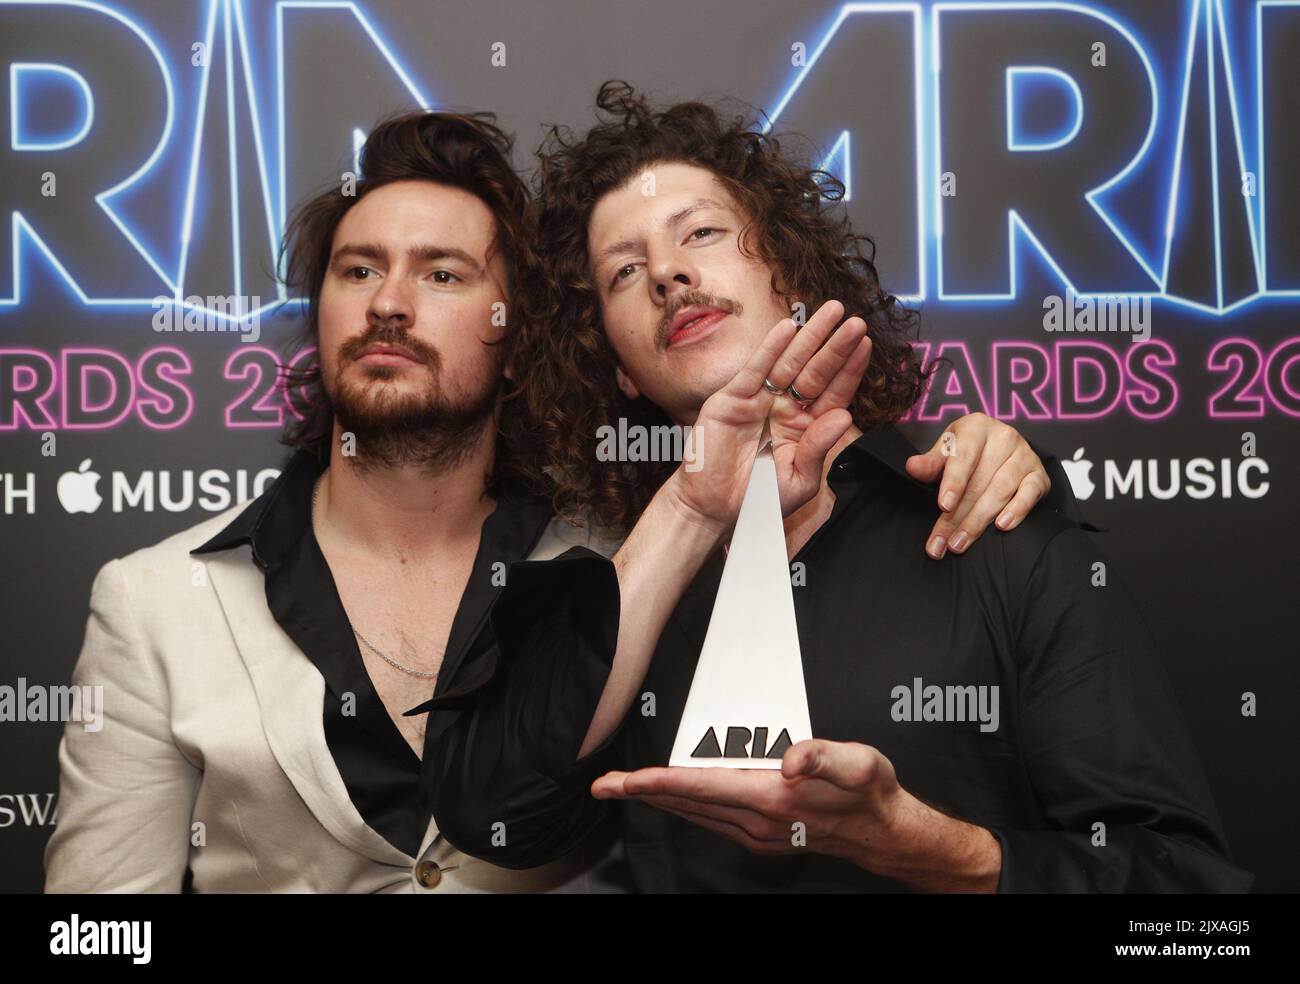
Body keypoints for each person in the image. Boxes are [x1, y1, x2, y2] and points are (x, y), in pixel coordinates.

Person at [43, 108, 1047, 893]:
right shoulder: (154, 601)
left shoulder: (631, 560)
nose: (389, 302)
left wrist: (977, 445)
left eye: (442, 273)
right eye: (358, 270)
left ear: (516, 336)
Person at [423, 82, 1254, 893]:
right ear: (620, 371)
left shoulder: (993, 529)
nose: (667, 274)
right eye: (624, 272)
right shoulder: (631, 591)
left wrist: (935, 852)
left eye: (701, 233)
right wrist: (693, 506)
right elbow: (492, 814)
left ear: (791, 272)